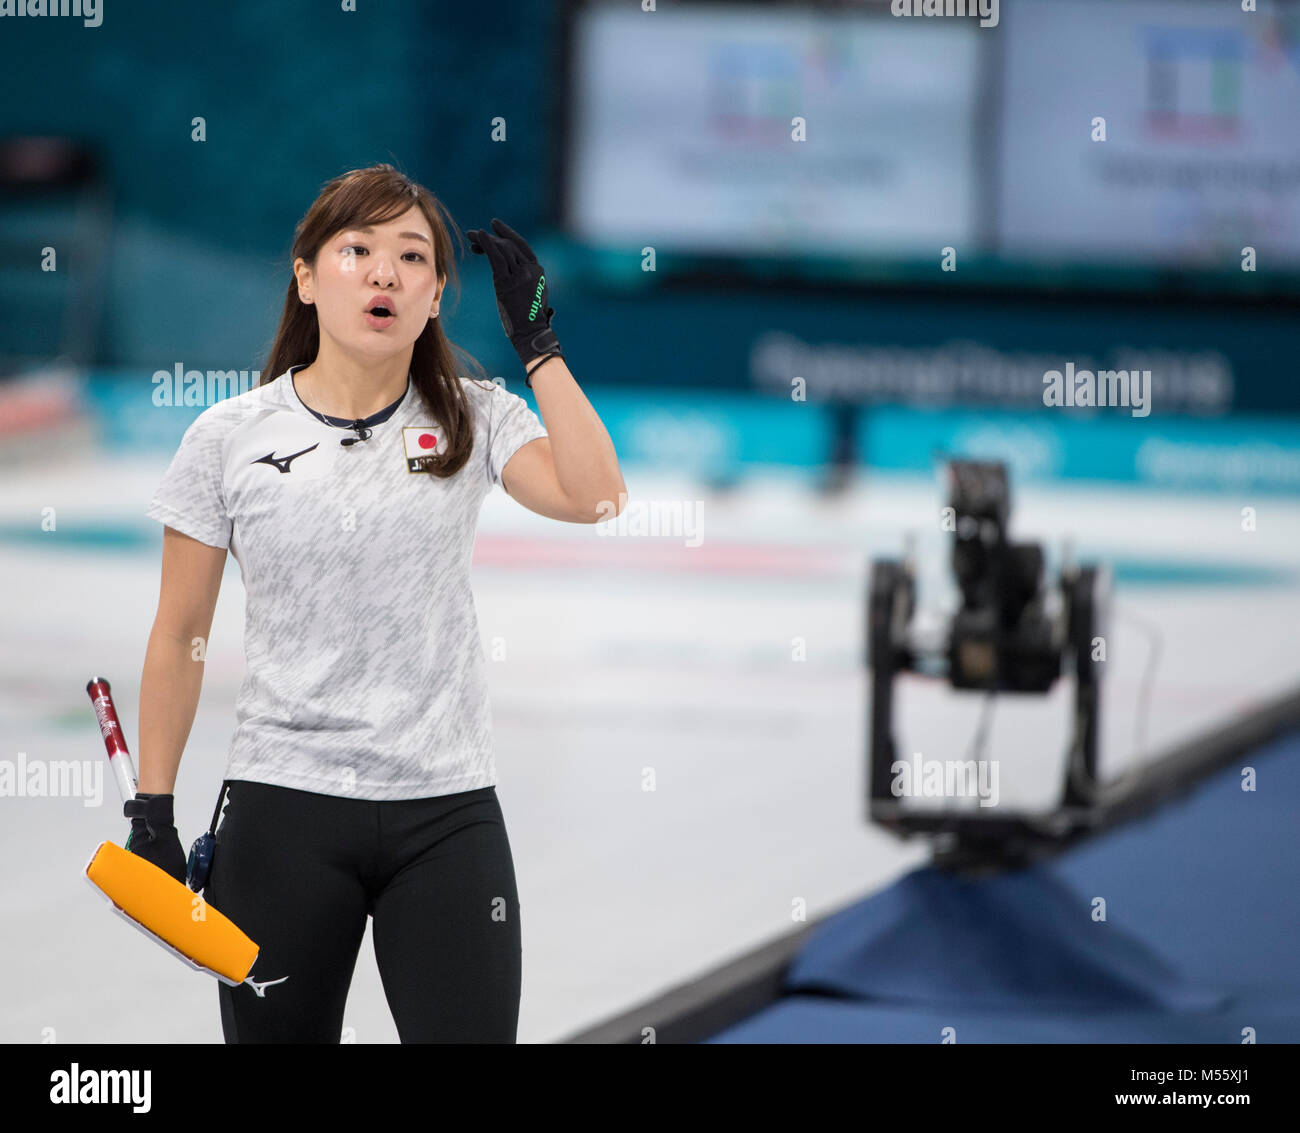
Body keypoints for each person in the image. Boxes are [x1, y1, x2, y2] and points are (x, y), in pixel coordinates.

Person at [125, 163, 626, 1042]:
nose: (385, 272)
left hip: (447, 810)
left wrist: (539, 344)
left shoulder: (473, 417)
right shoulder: (227, 439)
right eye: (358, 249)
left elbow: (596, 497)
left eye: (412, 256)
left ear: (436, 295)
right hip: (283, 812)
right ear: (307, 276)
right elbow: (179, 635)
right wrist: (153, 810)